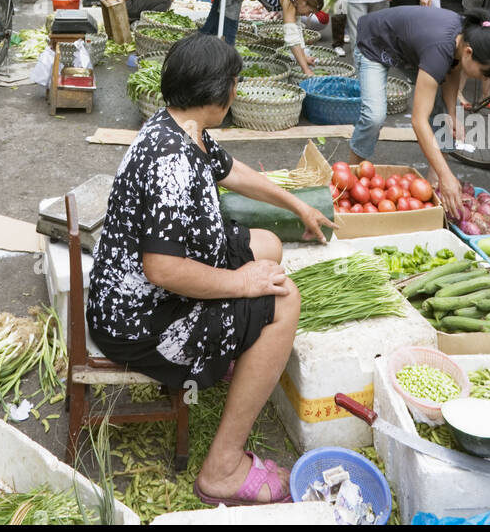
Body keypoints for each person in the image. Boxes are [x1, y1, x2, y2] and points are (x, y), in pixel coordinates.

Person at [86, 34, 332, 506]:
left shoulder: (179, 126)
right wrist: (241, 284)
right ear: (219, 93)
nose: (236, 92)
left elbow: (232, 170)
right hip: (141, 320)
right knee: (284, 300)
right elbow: (162, 268)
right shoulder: (172, 162)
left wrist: (296, 202)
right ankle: (222, 468)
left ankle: (240, 358)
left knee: (268, 245)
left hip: (137, 291)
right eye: (235, 84)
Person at [349, 6, 490, 221]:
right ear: (469, 53)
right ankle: (348, 177)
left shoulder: (465, 37)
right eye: (485, 74)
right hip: (375, 42)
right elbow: (419, 121)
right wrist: (448, 174)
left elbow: (453, 71)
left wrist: (453, 114)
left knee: (444, 115)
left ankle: (433, 188)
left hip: (410, 50)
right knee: (374, 116)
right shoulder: (440, 49)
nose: (484, 80)